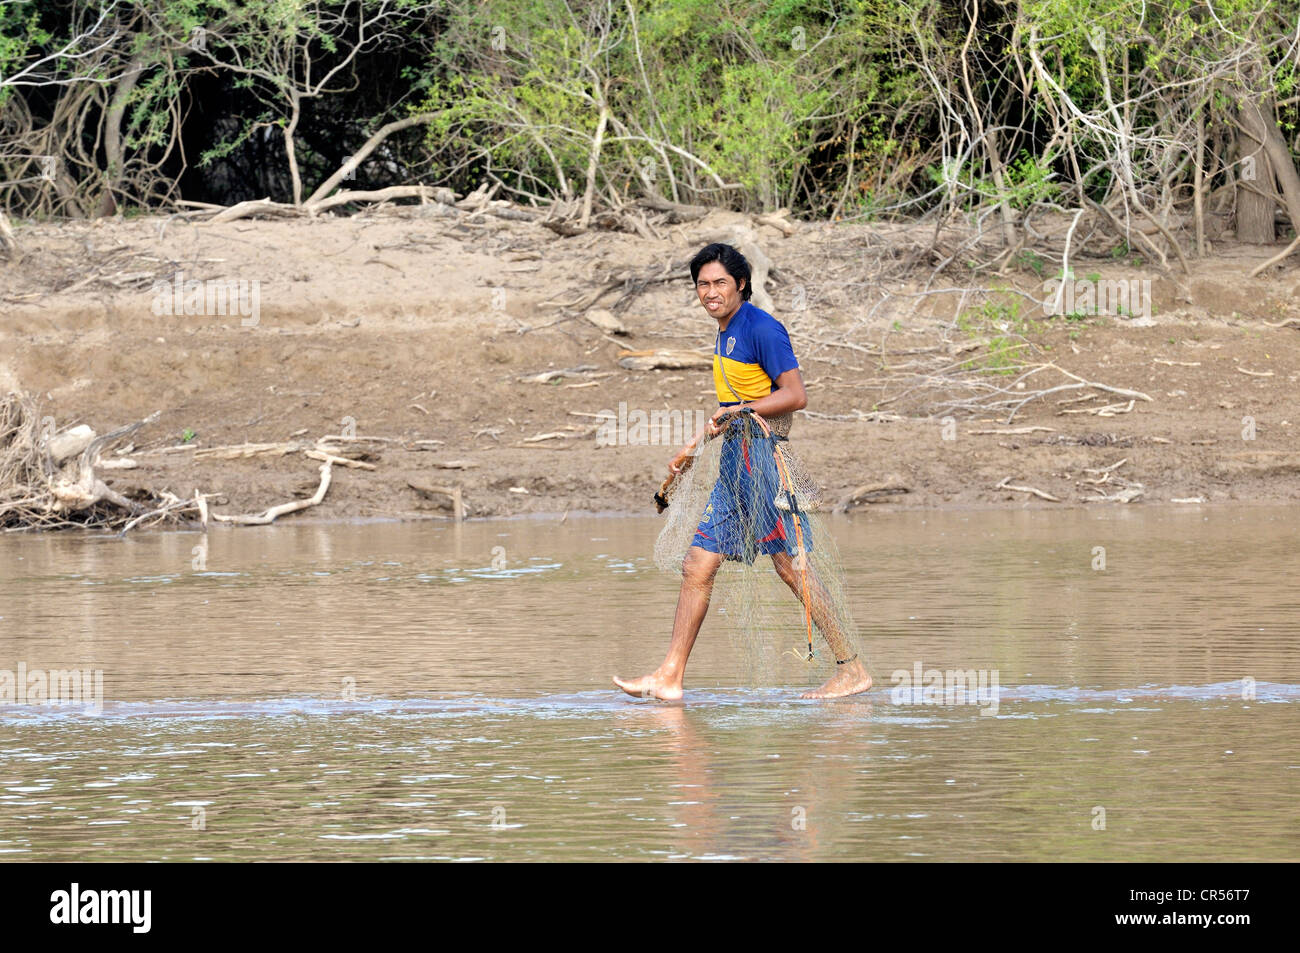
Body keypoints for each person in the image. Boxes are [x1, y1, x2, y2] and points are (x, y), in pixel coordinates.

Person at [614, 243, 872, 701]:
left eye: (719, 283)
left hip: (764, 464)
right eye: (703, 284)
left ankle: (851, 668)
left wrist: (741, 413)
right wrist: (692, 447)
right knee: (697, 563)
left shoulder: (761, 328)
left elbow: (795, 395)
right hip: (735, 463)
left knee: (792, 567)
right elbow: (732, 407)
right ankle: (670, 676)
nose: (710, 292)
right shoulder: (726, 329)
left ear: (741, 285)